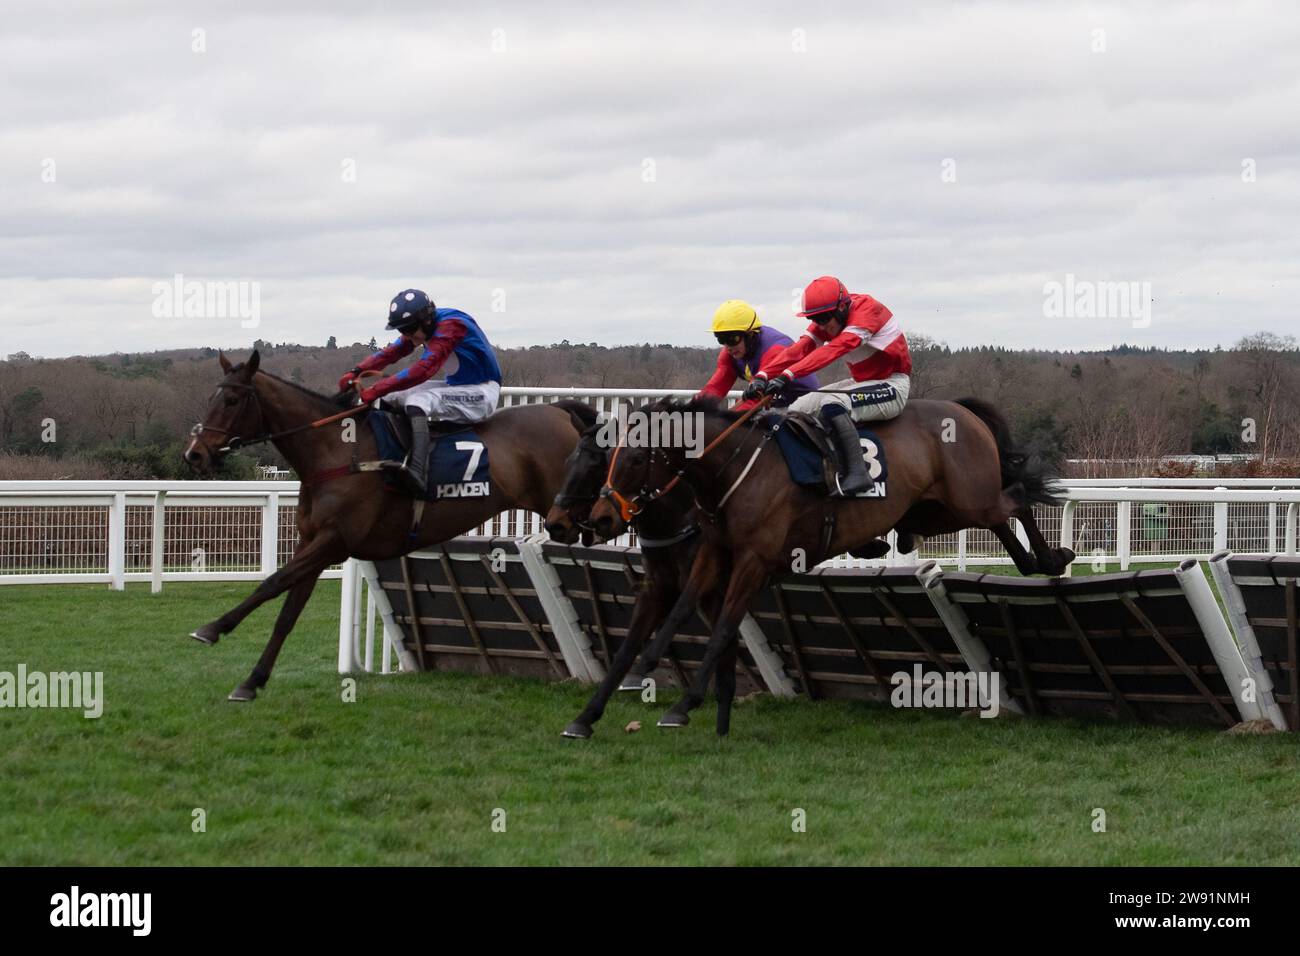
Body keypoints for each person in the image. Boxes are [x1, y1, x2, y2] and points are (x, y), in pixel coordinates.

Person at [744, 276, 911, 495]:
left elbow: (833, 350)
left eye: (823, 318)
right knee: (797, 409)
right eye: (814, 319)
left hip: (892, 384)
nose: (821, 324)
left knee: (833, 403)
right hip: (863, 383)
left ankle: (859, 474)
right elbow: (800, 349)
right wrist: (763, 375)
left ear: (842, 308)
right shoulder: (830, 315)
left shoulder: (867, 312)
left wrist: (787, 375)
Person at [338, 289, 502, 495]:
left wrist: (376, 389)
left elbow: (424, 370)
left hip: (482, 392)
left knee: (418, 400)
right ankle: (392, 454)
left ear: (425, 321)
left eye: (408, 330)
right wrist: (357, 371)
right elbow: (393, 352)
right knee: (391, 397)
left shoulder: (452, 326)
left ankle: (418, 470)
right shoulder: (425, 324)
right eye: (401, 331)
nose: (405, 335)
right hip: (458, 388)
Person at [696, 299, 819, 409]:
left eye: (732, 339)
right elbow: (715, 388)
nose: (728, 347)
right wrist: (690, 411)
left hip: (803, 403)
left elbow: (755, 400)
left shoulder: (774, 350)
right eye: (721, 339)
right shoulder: (731, 352)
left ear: (750, 335)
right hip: (774, 403)